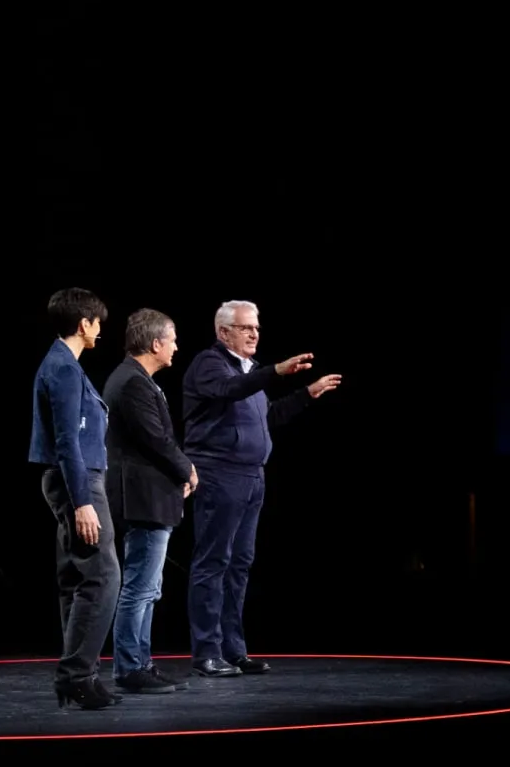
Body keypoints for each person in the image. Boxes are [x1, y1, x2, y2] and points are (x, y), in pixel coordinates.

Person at [178, 299, 342, 677]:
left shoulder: (249, 371)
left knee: (240, 565)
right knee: (213, 562)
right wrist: (275, 371)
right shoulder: (210, 364)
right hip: (220, 475)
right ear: (223, 332)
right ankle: (207, 652)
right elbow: (230, 391)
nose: (254, 333)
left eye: (256, 327)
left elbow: (267, 417)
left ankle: (234, 650)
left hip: (253, 476)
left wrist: (307, 394)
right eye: (245, 327)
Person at [26, 287, 121, 712]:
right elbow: (67, 440)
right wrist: (82, 501)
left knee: (78, 580)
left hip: (72, 479)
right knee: (103, 576)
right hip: (77, 481)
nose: (100, 330)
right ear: (85, 324)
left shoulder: (64, 365)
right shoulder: (63, 368)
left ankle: (81, 677)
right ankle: (76, 675)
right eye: (98, 323)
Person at [101, 309, 194, 696]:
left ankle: (141, 662)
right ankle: (130, 668)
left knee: (148, 586)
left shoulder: (138, 380)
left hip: (151, 498)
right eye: (172, 339)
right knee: (140, 586)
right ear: (155, 344)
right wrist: (187, 468)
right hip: (143, 500)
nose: (176, 346)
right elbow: (155, 439)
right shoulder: (132, 383)